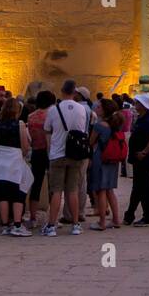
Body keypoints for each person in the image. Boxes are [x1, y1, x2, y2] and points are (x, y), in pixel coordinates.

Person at [43, 79, 91, 237]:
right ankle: (76, 224)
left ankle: (51, 225)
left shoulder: (53, 109)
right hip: (75, 154)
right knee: (72, 190)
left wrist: (50, 151)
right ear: (74, 93)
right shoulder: (82, 109)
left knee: (56, 191)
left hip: (57, 153)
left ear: (62, 91)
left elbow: (47, 131)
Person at [0, 96, 32, 236]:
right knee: (17, 193)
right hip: (14, 159)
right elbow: (25, 146)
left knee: (2, 194)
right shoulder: (20, 124)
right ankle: (17, 224)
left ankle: (5, 225)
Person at [124, 93, 149, 227]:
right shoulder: (143, 117)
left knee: (145, 189)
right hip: (139, 159)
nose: (135, 105)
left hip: (144, 159)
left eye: (137, 103)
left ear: (143, 105)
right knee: (139, 188)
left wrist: (144, 151)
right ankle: (129, 215)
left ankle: (148, 217)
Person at [89, 99, 122, 230]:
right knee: (109, 190)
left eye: (99, 106)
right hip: (112, 159)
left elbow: (91, 142)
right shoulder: (116, 124)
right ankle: (116, 219)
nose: (96, 108)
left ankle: (102, 222)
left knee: (101, 190)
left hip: (100, 158)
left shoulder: (99, 126)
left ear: (104, 109)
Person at [26, 91, 54, 227]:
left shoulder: (31, 116)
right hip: (51, 152)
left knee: (36, 184)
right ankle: (52, 217)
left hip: (37, 151)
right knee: (54, 185)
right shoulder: (52, 115)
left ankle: (33, 217)